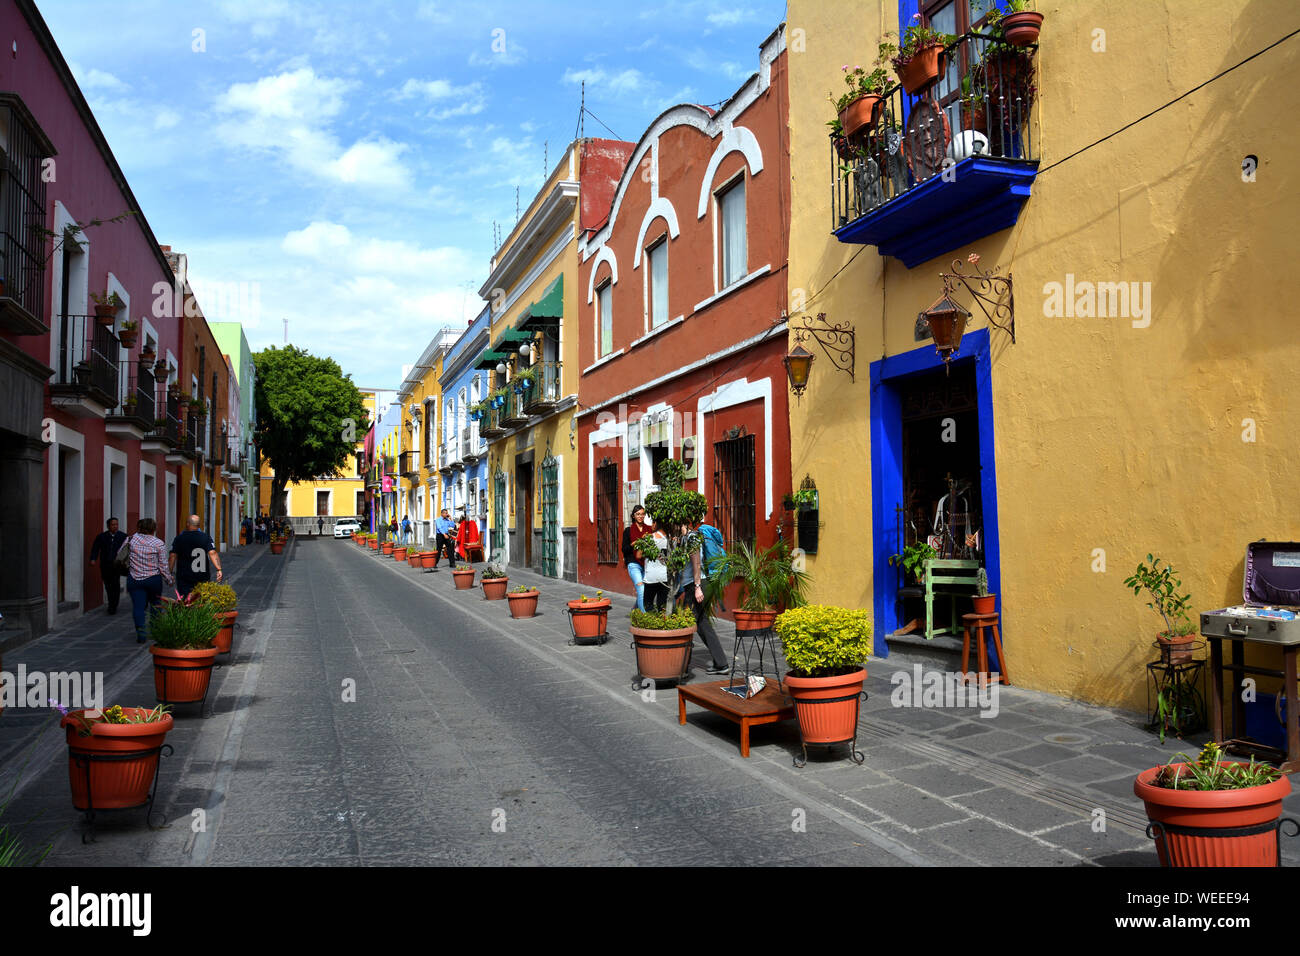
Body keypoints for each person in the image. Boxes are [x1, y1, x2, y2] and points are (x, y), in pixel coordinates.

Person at [677, 518, 729, 675]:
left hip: (697, 585)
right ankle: (721, 663)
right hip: (694, 584)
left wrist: (698, 587)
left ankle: (682, 667)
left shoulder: (692, 538)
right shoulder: (685, 538)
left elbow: (696, 563)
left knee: (689, 623)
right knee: (701, 624)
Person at [125, 518, 173, 643]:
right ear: (154, 528)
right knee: (156, 604)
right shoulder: (158, 543)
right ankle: (156, 628)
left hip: (135, 578)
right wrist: (169, 579)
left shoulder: (131, 540)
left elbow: (121, 554)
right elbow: (163, 565)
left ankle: (141, 632)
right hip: (153, 579)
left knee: (138, 607)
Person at [169, 514, 223, 598]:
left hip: (184, 575)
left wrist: (169, 572)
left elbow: (172, 556)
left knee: (185, 601)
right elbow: (212, 553)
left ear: (187, 524)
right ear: (199, 525)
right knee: (201, 600)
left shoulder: (179, 538)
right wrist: (219, 569)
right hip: (202, 575)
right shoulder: (206, 537)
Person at [89, 518, 127, 615]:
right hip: (105, 564)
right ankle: (111, 602)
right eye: (113, 524)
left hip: (117, 564)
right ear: (108, 526)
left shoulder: (122, 536)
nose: (115, 526)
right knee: (108, 584)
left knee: (115, 584)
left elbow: (127, 550)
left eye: (116, 524)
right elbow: (95, 548)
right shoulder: (102, 537)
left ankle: (113, 605)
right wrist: (93, 559)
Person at [622, 506, 652, 612]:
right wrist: (635, 543)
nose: (640, 516)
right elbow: (624, 549)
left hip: (647, 563)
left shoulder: (649, 529)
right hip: (633, 563)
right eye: (638, 514)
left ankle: (635, 609)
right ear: (633, 516)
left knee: (645, 591)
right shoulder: (628, 530)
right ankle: (644, 617)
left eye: (642, 514)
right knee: (641, 589)